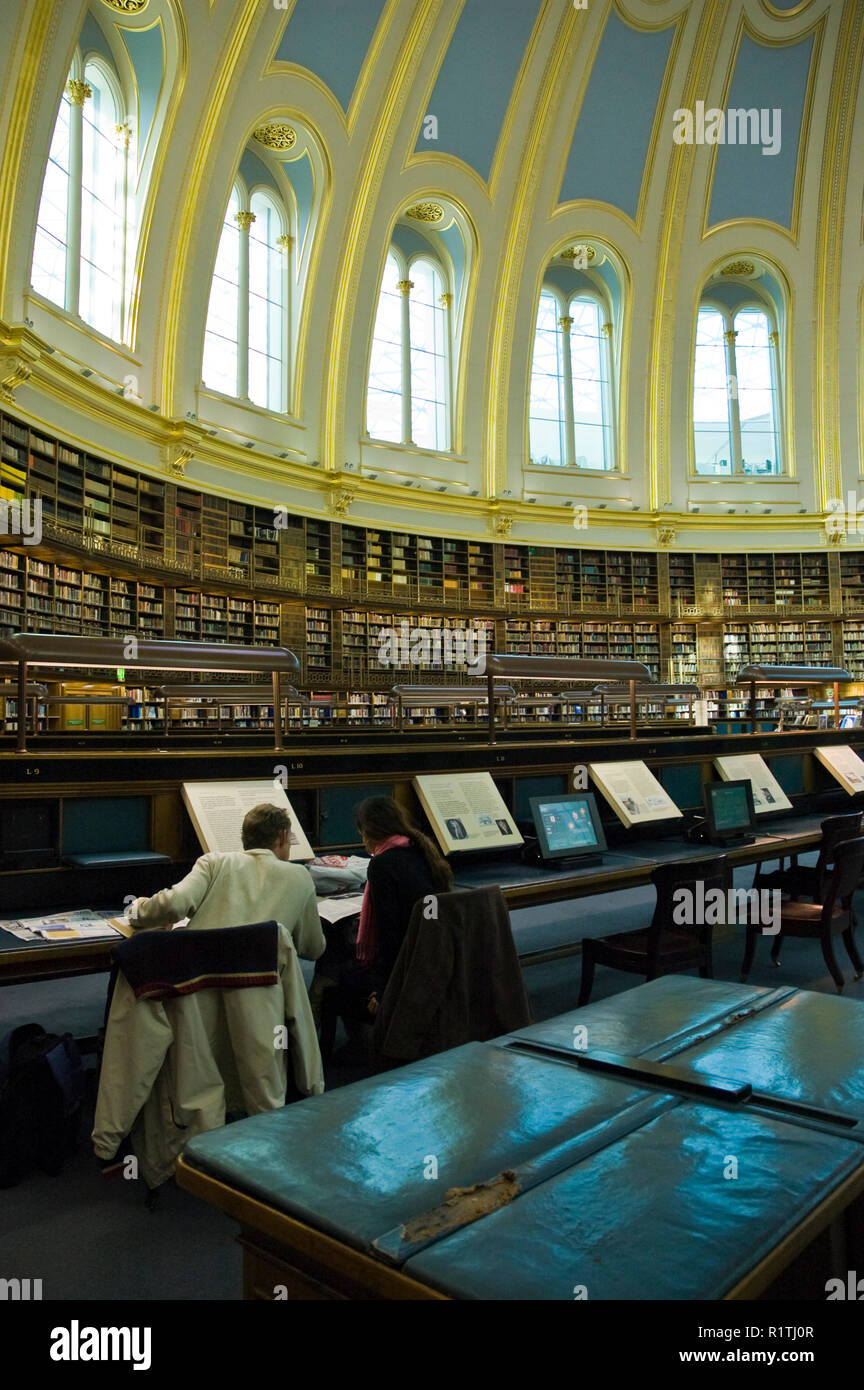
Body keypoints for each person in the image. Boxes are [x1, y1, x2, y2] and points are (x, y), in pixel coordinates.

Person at [322, 796, 452, 1059]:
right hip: (435, 962)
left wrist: (381, 991)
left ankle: (355, 1048)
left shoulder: (382, 864)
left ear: (368, 831)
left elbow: (389, 935)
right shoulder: (421, 851)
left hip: (406, 971)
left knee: (336, 977)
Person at [128, 803, 326, 962]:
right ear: (283, 837)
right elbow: (313, 948)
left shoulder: (213, 862)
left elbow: (174, 904)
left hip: (199, 989)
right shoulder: (299, 875)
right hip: (262, 999)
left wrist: (137, 909)